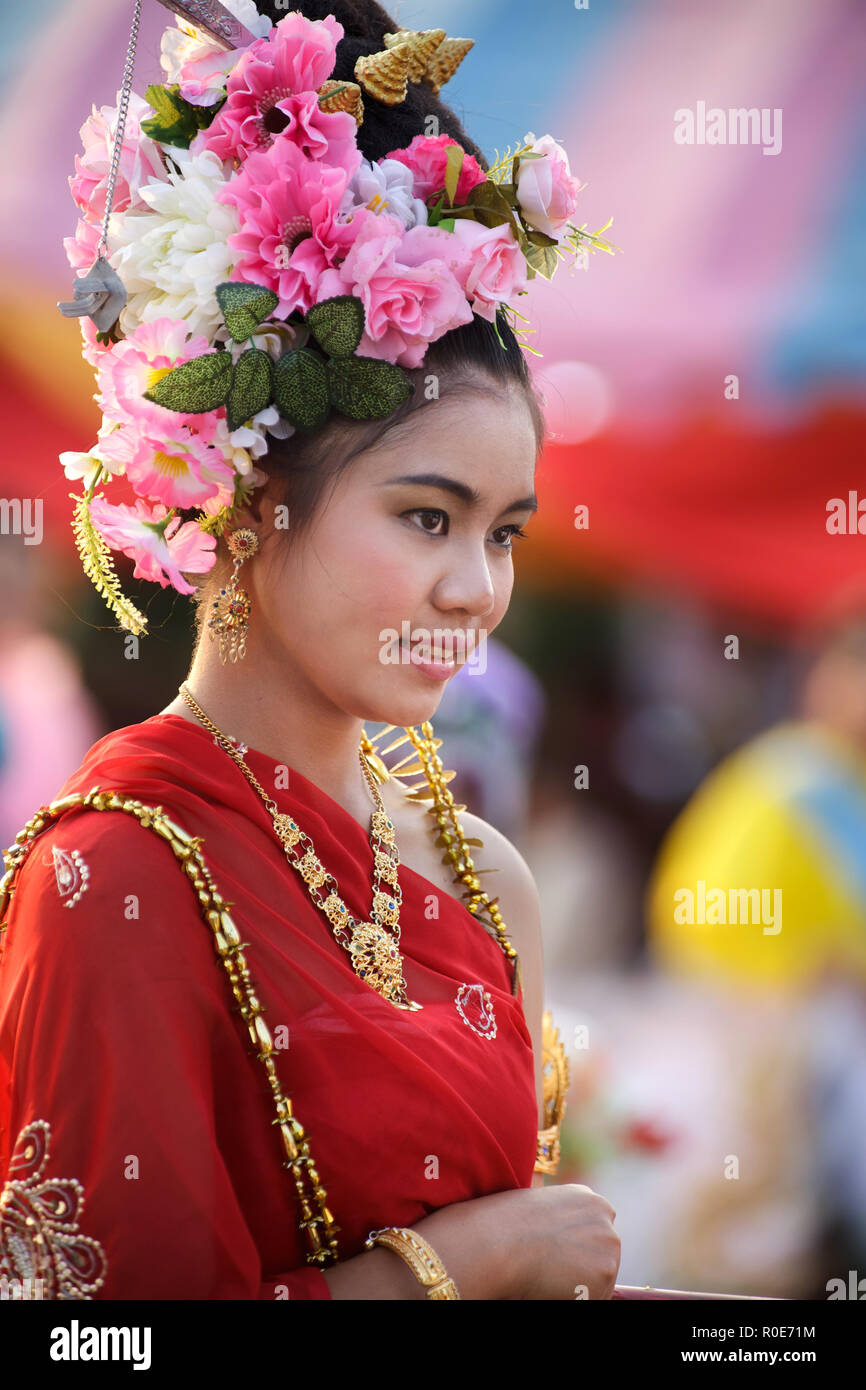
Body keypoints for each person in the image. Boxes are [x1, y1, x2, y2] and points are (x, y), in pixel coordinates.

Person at [0, 0, 619, 1300]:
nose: (477, 589)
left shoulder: (483, 874)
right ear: (242, 499)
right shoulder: (110, 877)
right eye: (423, 517)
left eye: (501, 532)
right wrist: (448, 1267)